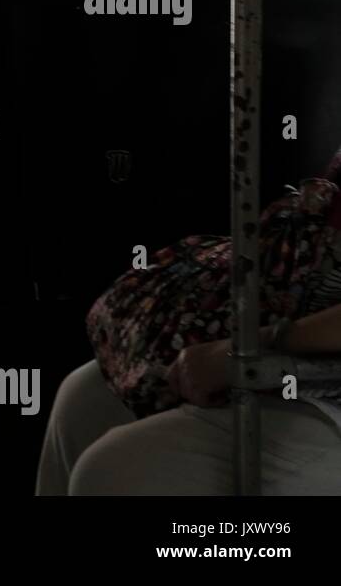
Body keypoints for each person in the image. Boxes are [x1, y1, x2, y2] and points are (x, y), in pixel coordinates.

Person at [37, 147, 341, 495]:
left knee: (114, 469)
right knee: (83, 401)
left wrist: (249, 350)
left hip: (323, 379)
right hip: (301, 335)